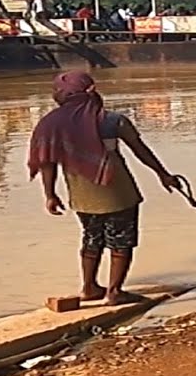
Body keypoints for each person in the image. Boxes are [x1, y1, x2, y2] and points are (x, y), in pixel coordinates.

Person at [28, 71, 182, 306]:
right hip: (118, 192)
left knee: (91, 238)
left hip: (81, 194)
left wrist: (50, 194)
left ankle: (89, 288)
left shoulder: (50, 124)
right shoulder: (112, 121)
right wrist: (163, 174)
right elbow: (140, 150)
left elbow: (46, 162)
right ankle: (114, 292)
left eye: (56, 90)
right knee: (121, 241)